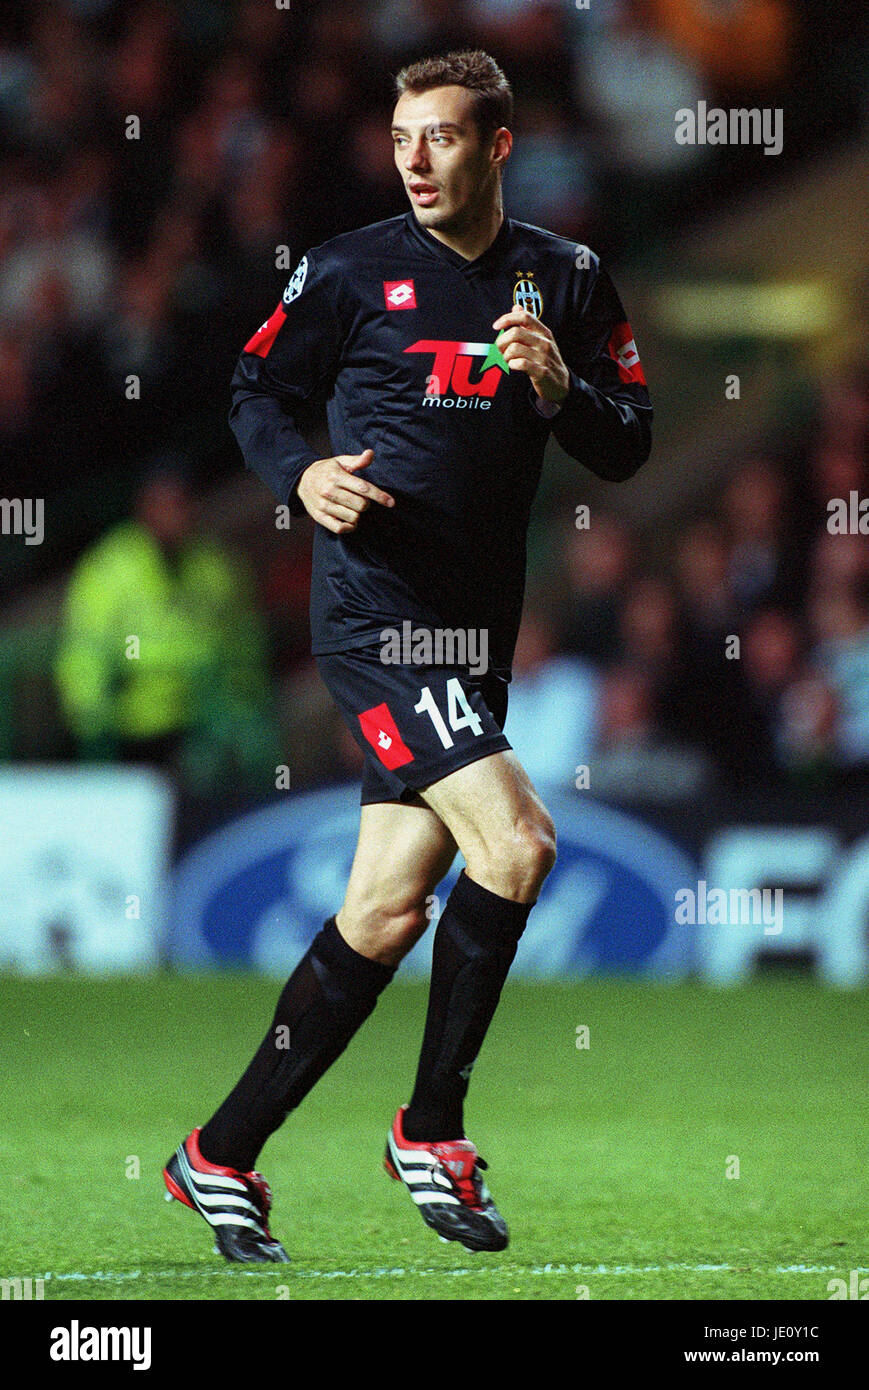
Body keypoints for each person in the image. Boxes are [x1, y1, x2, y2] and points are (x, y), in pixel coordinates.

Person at [163, 50, 652, 1261]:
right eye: (399, 138)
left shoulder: (570, 278)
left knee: (381, 911)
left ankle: (215, 1154)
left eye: (439, 136)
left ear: (497, 146)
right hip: (376, 617)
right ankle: (430, 1129)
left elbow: (631, 442)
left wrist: (557, 393)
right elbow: (253, 389)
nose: (414, 159)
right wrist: (302, 473)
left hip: (474, 631)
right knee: (520, 839)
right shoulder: (347, 272)